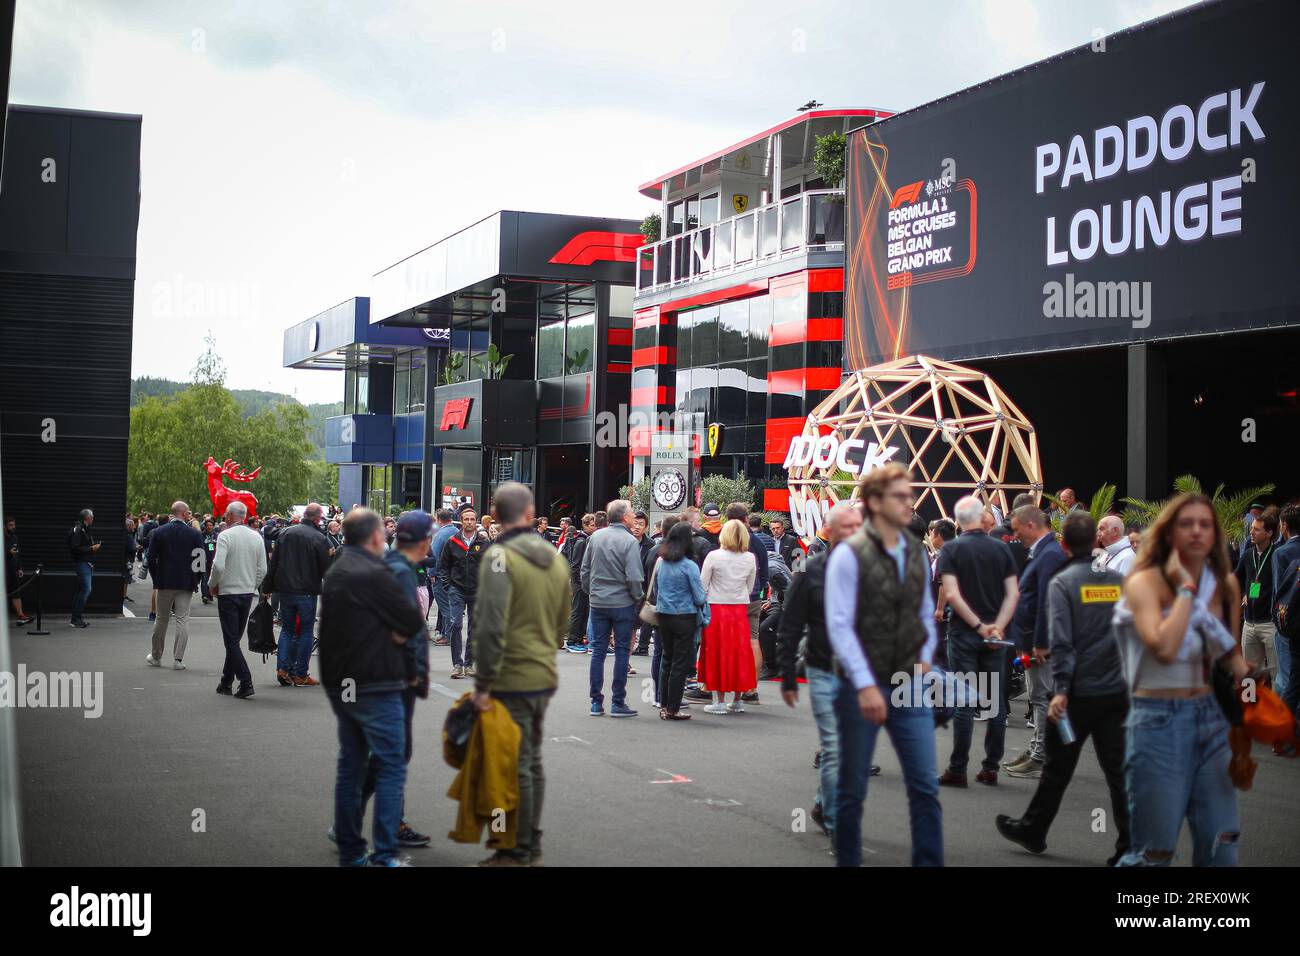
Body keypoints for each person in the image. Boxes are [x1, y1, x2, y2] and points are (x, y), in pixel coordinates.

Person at [1112, 494, 1254, 866]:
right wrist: (1186, 590)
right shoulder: (1145, 582)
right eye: (1186, 524)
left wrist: (1256, 711)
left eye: (1205, 524)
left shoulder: (1225, 584)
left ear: (1215, 534)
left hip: (1211, 720)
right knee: (1153, 852)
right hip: (1157, 719)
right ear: (1168, 532)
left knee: (1222, 847)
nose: (1196, 531)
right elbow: (1165, 647)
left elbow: (1231, 660)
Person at [996, 512, 1132, 864]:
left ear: (1065, 544)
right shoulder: (1118, 581)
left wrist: (1060, 691)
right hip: (1116, 692)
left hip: (1077, 696)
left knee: (1058, 767)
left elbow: (1063, 643)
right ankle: (1130, 848)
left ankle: (1033, 829)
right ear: (1096, 540)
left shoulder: (1063, 583)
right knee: (1118, 772)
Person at [825, 463, 942, 867]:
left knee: (926, 786)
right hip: (861, 687)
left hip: (909, 684)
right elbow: (840, 626)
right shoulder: (849, 555)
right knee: (853, 788)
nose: (910, 502)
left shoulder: (914, 552)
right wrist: (865, 684)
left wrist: (926, 660)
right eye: (900, 496)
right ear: (875, 502)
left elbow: (925, 612)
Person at [471, 482, 573, 865]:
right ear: (531, 516)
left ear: (495, 517)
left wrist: (482, 685)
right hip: (542, 672)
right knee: (530, 760)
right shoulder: (556, 559)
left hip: (508, 676)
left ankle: (514, 848)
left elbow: (489, 626)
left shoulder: (499, 557)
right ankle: (529, 840)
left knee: (511, 765)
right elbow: (563, 624)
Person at [319, 508, 426, 867]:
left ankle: (351, 851)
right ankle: (384, 854)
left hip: (341, 682)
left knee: (350, 766)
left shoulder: (338, 568)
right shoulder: (376, 572)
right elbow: (412, 620)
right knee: (391, 764)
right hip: (376, 681)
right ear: (376, 537)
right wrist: (392, 635)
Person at [779, 501, 863, 843]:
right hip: (824, 669)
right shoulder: (811, 572)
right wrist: (786, 675)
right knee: (835, 746)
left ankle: (822, 802)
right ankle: (834, 818)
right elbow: (790, 625)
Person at [936, 496, 1020, 787]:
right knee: (995, 700)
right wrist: (997, 626)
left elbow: (952, 594)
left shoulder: (951, 549)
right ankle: (991, 768)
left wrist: (978, 626)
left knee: (964, 701)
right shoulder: (1001, 549)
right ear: (981, 517)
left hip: (963, 633)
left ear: (958, 521)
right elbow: (1013, 594)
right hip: (995, 636)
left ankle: (958, 769)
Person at [372, 510, 435, 849]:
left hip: (389, 675)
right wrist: (412, 672)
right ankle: (389, 829)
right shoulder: (399, 570)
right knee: (393, 754)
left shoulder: (398, 566)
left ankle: (357, 820)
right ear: (423, 540)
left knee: (387, 753)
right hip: (394, 677)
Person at [1003, 505, 1068, 778]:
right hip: (1031, 640)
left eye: (1018, 530)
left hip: (1038, 642)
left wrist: (1040, 642)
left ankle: (1042, 755)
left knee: (1041, 697)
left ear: (1030, 525)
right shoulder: (1044, 552)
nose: (1016, 536)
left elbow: (1046, 602)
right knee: (1038, 696)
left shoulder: (1049, 554)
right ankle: (1039, 750)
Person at [580, 499, 643, 718]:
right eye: (632, 512)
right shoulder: (630, 541)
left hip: (599, 601)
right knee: (622, 651)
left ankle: (596, 702)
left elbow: (585, 570)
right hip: (622, 603)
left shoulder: (596, 537)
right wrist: (638, 598)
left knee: (598, 651)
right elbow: (634, 577)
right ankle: (618, 702)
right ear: (624, 517)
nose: (635, 516)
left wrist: (592, 592)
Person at [263, 502, 332, 687]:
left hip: (286, 589)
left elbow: (274, 563)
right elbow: (327, 569)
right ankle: (301, 673)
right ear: (318, 518)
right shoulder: (319, 538)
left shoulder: (285, 533)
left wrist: (266, 587)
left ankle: (283, 669)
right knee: (306, 632)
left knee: (287, 629)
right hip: (307, 591)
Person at [651, 521, 710, 720]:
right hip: (684, 616)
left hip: (663, 614)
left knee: (666, 659)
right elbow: (699, 596)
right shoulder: (689, 566)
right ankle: (674, 708)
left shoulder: (662, 561)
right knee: (679, 662)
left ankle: (664, 703)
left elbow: (657, 589)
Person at [207, 501, 267, 699]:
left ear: (231, 516)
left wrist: (212, 584)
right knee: (234, 639)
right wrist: (251, 585)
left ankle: (245, 680)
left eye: (226, 514)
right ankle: (226, 681)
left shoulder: (225, 536)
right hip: (246, 593)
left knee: (231, 640)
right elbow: (263, 569)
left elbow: (218, 566)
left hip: (228, 593)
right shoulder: (256, 536)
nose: (224, 516)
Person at [698, 518, 757, 715]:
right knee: (739, 652)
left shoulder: (713, 556)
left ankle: (720, 700)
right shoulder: (750, 558)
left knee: (717, 652)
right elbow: (749, 587)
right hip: (739, 610)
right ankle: (738, 699)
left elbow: (702, 585)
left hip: (716, 609)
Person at [146, 501, 204, 669]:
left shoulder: (158, 532)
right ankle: (178, 659)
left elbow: (150, 559)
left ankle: (156, 656)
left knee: (161, 619)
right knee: (182, 619)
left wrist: (156, 577)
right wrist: (197, 579)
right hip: (186, 582)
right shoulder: (194, 534)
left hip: (164, 581)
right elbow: (200, 559)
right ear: (184, 513)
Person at [438, 507, 488, 678]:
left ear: (476, 521)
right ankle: (457, 665)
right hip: (456, 589)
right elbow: (443, 566)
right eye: (466, 519)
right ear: (461, 520)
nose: (469, 522)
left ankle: (469, 664)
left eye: (472, 519)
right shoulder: (452, 541)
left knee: (474, 628)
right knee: (456, 624)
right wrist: (447, 585)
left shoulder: (484, 543)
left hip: (477, 590)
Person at [1234, 507, 1278, 681]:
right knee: (1250, 676)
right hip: (1249, 624)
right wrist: (1244, 593)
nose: (1251, 532)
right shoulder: (1247, 555)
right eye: (1251, 528)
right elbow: (1236, 581)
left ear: (1269, 533)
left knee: (1276, 675)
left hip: (1270, 625)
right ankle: (1250, 707)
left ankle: (1275, 708)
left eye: (1256, 529)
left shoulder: (1277, 555)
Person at [1270, 504, 1300, 704]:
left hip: (1288, 624)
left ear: (1284, 525)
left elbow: (1277, 591)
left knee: (1285, 676)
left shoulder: (1281, 553)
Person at [562, 513, 594, 653]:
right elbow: (576, 565)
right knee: (578, 610)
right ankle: (573, 640)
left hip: (581, 581)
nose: (594, 527)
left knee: (582, 610)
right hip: (579, 582)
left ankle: (578, 638)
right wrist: (580, 582)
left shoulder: (584, 539)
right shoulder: (582, 541)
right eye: (592, 525)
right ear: (586, 525)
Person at [428, 508, 457, 646]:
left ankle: (448, 635)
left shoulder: (441, 535)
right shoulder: (458, 532)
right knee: (450, 605)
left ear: (439, 519)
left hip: (441, 576)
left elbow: (434, 556)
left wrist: (432, 574)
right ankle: (447, 633)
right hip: (455, 576)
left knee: (445, 607)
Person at [67, 508, 100, 628]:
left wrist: (92, 547)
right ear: (87, 518)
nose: (93, 519)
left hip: (86, 563)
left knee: (81, 590)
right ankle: (76, 619)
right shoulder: (78, 530)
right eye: (92, 517)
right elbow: (74, 548)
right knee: (86, 590)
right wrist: (91, 549)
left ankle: (76, 618)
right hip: (82, 563)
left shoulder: (84, 529)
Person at [5, 516, 31, 626]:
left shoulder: (15, 538)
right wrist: (8, 553)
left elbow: (17, 555)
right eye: (10, 525)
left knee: (16, 594)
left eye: (14, 525)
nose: (13, 527)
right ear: (4, 526)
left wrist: (19, 568)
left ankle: (21, 616)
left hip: (13, 571)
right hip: (3, 571)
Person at [199, 518, 218, 604]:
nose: (209, 527)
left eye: (211, 525)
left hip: (214, 560)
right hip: (204, 559)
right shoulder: (201, 535)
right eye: (207, 525)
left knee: (212, 578)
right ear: (205, 526)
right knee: (205, 578)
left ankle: (210, 594)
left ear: (213, 526)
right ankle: (205, 595)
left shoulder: (216, 535)